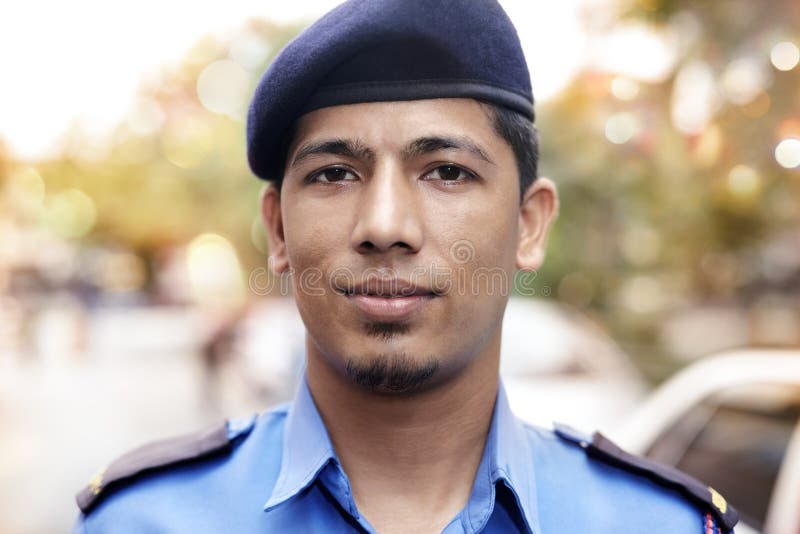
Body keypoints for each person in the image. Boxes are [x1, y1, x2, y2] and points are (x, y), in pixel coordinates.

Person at [73, 1, 739, 532]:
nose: (385, 226)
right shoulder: (140, 522)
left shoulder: (660, 525)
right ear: (277, 228)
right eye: (335, 173)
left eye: (447, 171)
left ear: (528, 225)